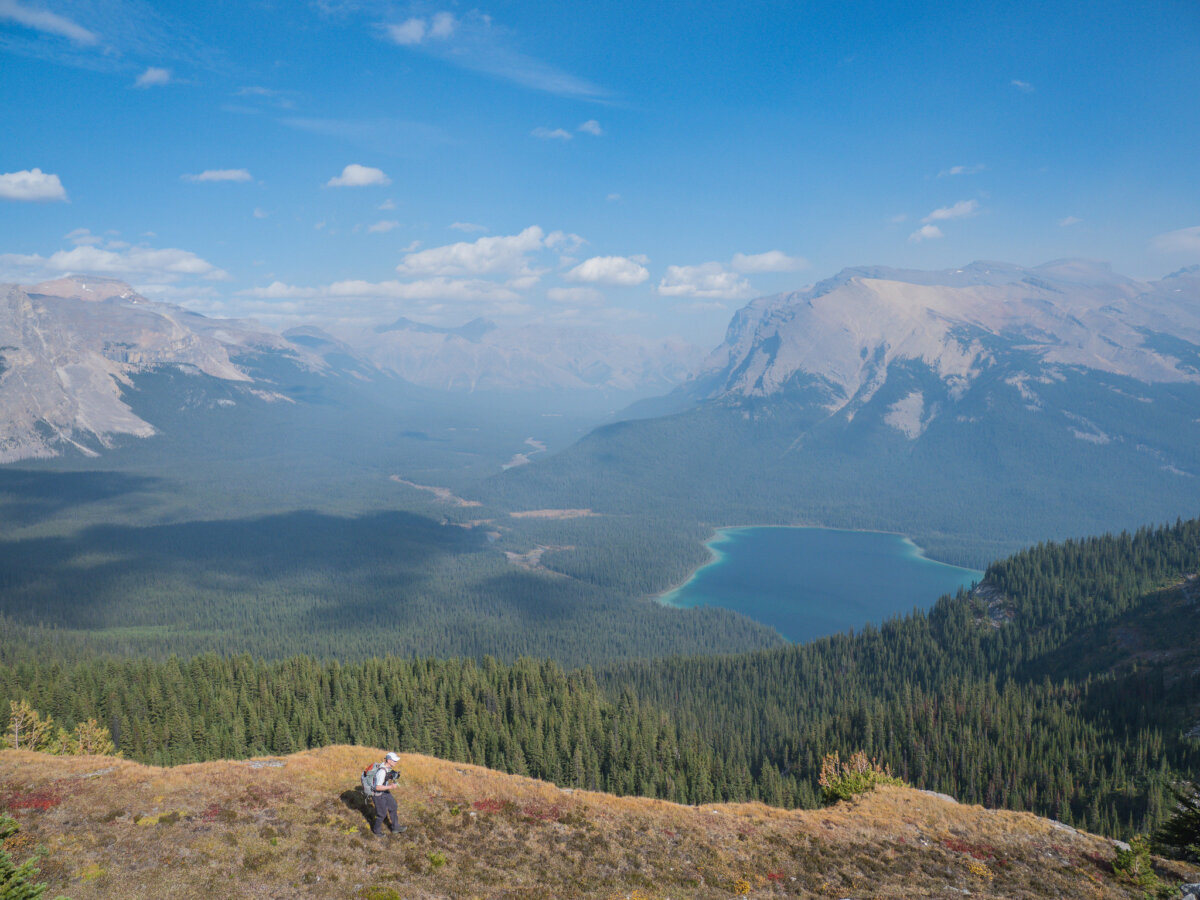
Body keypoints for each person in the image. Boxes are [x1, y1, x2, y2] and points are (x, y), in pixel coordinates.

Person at [371, 751, 407, 836]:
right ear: (389, 760)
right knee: (382, 814)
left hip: (384, 791)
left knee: (393, 805)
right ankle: (376, 831)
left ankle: (395, 827)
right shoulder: (382, 771)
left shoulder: (387, 768)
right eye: (394, 760)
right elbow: (377, 787)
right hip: (377, 794)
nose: (396, 762)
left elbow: (386, 778)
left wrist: (393, 776)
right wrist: (390, 787)